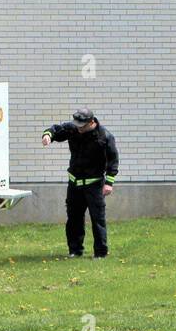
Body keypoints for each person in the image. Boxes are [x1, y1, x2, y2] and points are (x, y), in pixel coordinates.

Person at [41, 108, 119, 258]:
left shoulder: (105, 137)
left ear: (91, 122)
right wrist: (48, 136)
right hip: (74, 183)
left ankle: (100, 253)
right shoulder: (73, 129)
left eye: (82, 126)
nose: (79, 129)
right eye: (77, 125)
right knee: (74, 219)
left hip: (94, 185)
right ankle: (75, 250)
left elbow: (113, 160)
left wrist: (109, 182)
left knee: (97, 219)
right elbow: (56, 130)